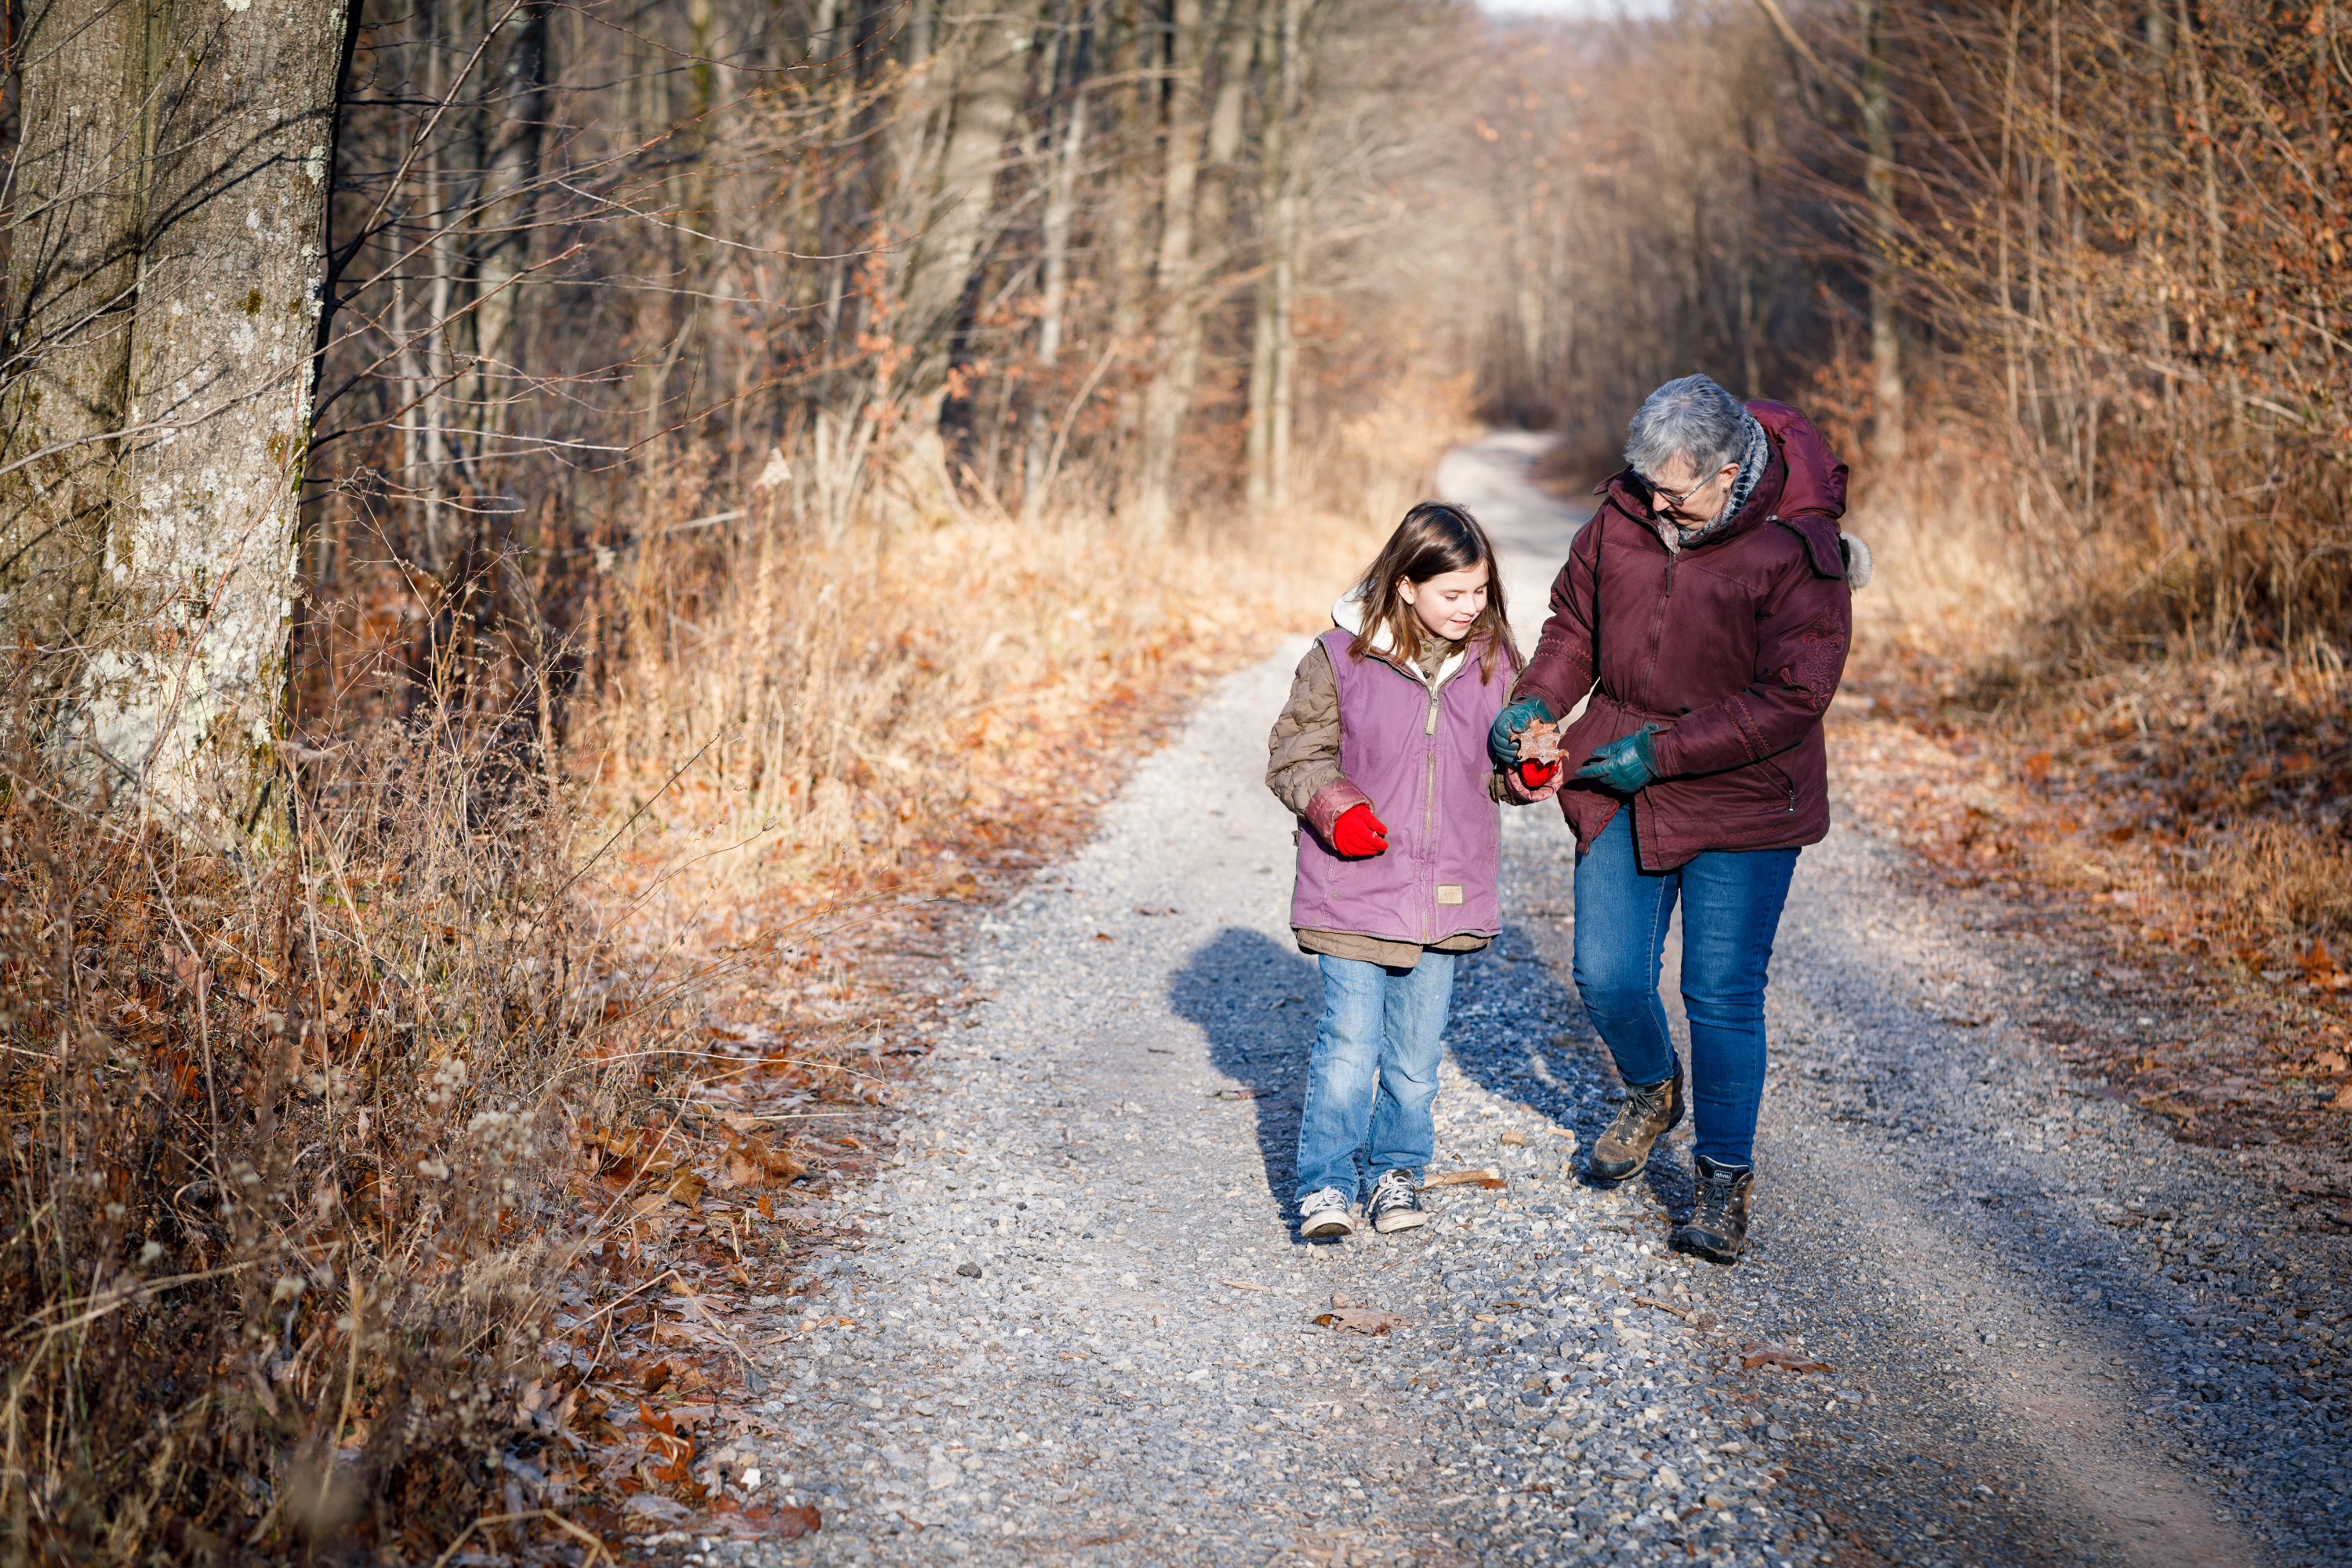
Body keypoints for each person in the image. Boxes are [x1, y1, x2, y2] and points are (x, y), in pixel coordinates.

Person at [1490, 374, 1860, 1265]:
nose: (1654, 501)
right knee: (1607, 973)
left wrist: (1662, 754)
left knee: (1720, 993)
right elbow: (1573, 625)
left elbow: (1793, 697)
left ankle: (1723, 1180)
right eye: (1644, 480)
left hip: (1745, 792)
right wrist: (1534, 701)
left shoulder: (1796, 549)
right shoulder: (1620, 517)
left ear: (1730, 471)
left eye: (1675, 489)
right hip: (1621, 768)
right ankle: (1654, 1090)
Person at [1266, 503, 1533, 1239]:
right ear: (1408, 585)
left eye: (1480, 592)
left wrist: (1530, 769)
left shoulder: (1494, 661)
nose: (1470, 608)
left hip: (1441, 898)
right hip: (1352, 886)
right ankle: (1325, 1183)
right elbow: (1295, 755)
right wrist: (1336, 807)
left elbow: (1504, 771)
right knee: (1350, 1047)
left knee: (1415, 1057)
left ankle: (1396, 1174)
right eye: (1454, 594)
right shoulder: (1338, 656)